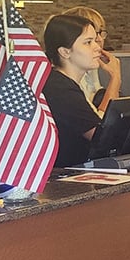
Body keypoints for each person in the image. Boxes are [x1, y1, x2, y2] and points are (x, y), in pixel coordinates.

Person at [42, 14, 103, 167]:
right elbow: (101, 137)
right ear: (65, 52)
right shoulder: (60, 89)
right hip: (62, 180)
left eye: (95, 40)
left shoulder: (61, 82)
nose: (97, 47)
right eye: (88, 42)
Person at [62, 6, 121, 112]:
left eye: (100, 32)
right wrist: (115, 77)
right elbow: (102, 121)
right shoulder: (67, 81)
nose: (99, 40)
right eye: (89, 40)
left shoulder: (90, 67)